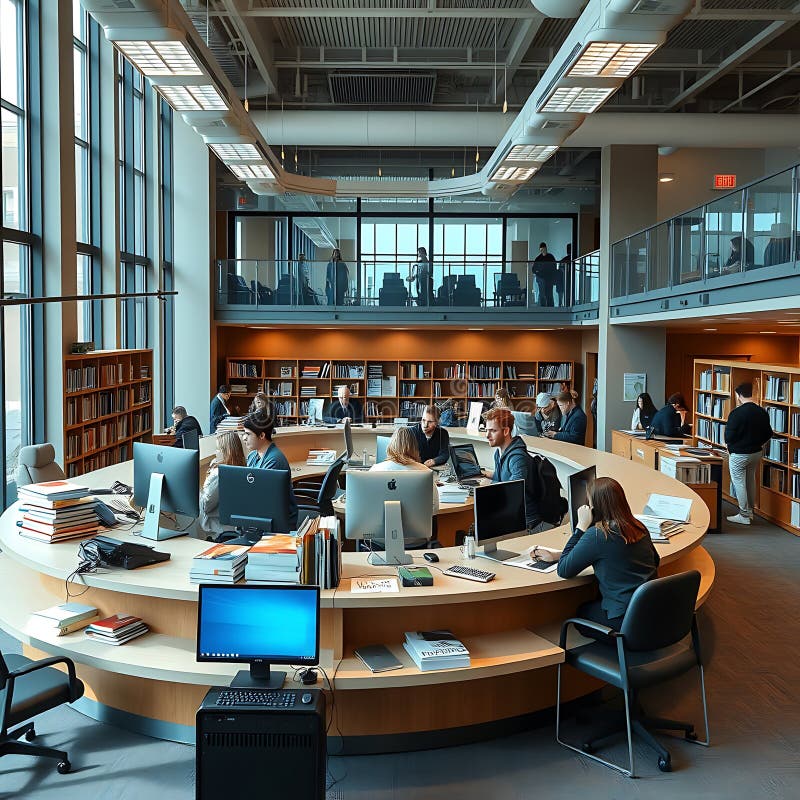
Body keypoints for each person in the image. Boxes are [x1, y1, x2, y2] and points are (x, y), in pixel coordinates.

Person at [542, 477, 659, 635]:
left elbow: (564, 570)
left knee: (583, 611)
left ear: (595, 508)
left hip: (625, 619)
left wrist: (581, 527)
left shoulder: (598, 535)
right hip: (652, 611)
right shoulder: (638, 526)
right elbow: (655, 560)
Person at [484, 407, 547, 531]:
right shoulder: (498, 453)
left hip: (525, 521)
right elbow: (500, 478)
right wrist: (485, 476)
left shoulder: (517, 458)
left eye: (493, 431)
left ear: (506, 431)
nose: (487, 435)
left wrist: (489, 484)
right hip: (510, 512)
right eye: (487, 430)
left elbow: (514, 492)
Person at [725, 382, 773, 526]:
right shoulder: (762, 412)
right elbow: (768, 433)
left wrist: (732, 447)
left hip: (739, 454)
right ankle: (750, 511)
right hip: (756, 452)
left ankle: (744, 514)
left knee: (739, 482)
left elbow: (729, 437)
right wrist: (757, 443)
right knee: (750, 480)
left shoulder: (736, 413)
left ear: (739, 396)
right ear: (753, 394)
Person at [241, 409, 298, 529]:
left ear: (262, 435)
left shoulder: (274, 460)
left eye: (248, 434)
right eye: (244, 433)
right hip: (262, 516)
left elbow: (258, 496)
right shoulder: (253, 455)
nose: (244, 438)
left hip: (276, 524)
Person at [369, 426, 439, 515]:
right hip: (417, 528)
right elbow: (435, 507)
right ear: (415, 447)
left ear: (391, 445)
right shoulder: (425, 472)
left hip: (378, 528)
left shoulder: (375, 470)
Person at [198, 431, 246, 537]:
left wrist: (208, 478)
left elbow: (206, 506)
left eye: (218, 449)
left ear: (227, 452)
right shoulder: (242, 468)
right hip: (234, 527)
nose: (215, 452)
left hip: (217, 529)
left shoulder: (219, 475)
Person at [532, 242, 557, 307]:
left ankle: (550, 307)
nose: (543, 251)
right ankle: (543, 307)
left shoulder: (550, 257)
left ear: (546, 248)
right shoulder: (539, 258)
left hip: (549, 279)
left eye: (543, 249)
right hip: (541, 278)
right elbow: (533, 269)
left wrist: (553, 278)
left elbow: (554, 268)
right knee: (543, 294)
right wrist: (538, 273)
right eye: (541, 250)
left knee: (549, 294)